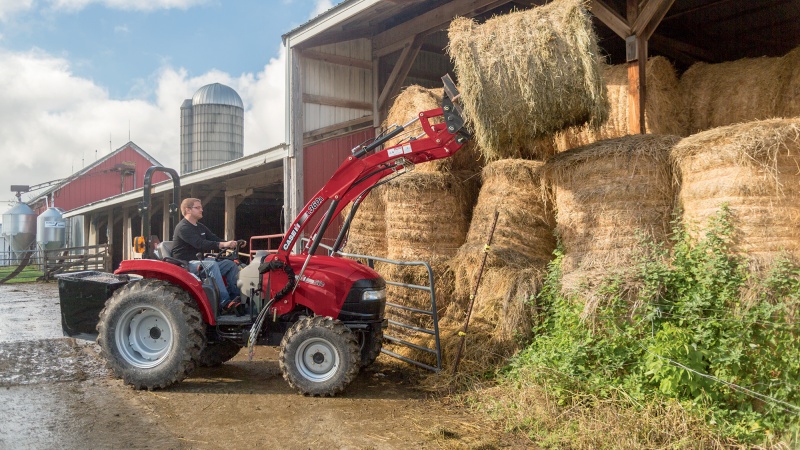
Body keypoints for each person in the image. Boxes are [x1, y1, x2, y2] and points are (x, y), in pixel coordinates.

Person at [172, 198, 242, 313]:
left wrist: (231, 243)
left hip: (198, 261)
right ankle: (224, 302)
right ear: (188, 210)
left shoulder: (199, 226)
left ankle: (236, 298)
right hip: (185, 264)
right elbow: (200, 243)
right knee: (212, 265)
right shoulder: (183, 228)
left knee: (229, 264)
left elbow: (213, 238)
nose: (201, 210)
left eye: (201, 207)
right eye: (198, 207)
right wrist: (223, 244)